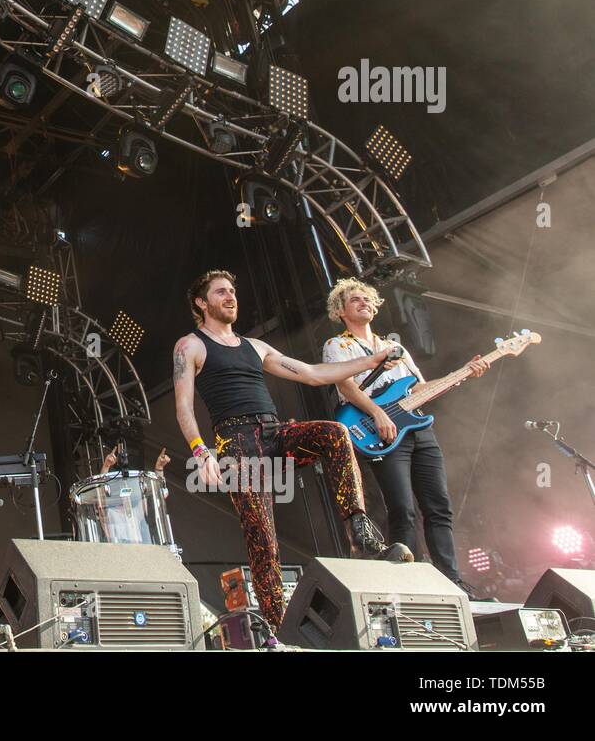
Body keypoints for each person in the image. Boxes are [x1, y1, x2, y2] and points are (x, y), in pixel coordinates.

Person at [172, 269, 413, 633]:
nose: (230, 296)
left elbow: (314, 373)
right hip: (237, 444)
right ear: (201, 302)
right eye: (221, 292)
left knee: (333, 433)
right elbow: (184, 406)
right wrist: (200, 451)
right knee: (263, 541)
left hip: (274, 431)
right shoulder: (190, 346)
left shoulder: (256, 347)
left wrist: (371, 361)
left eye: (233, 291)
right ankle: (281, 633)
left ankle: (361, 536)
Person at [321, 277, 488, 594]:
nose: (364, 303)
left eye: (367, 299)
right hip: (378, 430)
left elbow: (420, 388)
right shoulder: (337, 346)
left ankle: (451, 581)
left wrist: (461, 374)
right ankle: (409, 583)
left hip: (418, 430)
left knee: (438, 506)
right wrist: (378, 413)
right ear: (340, 310)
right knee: (402, 508)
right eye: (355, 300)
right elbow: (346, 386)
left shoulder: (394, 348)